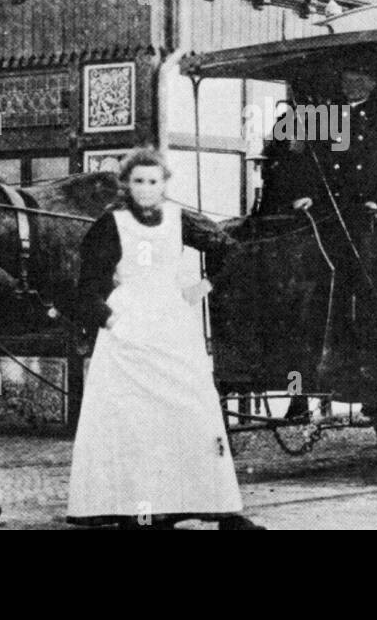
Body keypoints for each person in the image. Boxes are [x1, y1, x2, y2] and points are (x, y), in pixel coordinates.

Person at [66, 147, 263, 529]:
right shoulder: (112, 223)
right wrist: (111, 321)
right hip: (126, 333)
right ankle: (139, 510)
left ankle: (219, 507)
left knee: (194, 413)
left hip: (173, 326)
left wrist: (202, 286)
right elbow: (87, 287)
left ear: (164, 184)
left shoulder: (179, 218)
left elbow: (230, 250)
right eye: (138, 181)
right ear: (126, 184)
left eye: (153, 181)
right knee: (134, 423)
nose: (145, 189)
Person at [288, 66, 377, 390]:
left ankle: (372, 358)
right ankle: (326, 360)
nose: (350, 85)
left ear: (372, 82)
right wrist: (306, 195)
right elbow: (310, 164)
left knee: (368, 284)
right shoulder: (329, 117)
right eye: (346, 79)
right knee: (322, 285)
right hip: (331, 217)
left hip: (369, 220)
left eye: (358, 78)